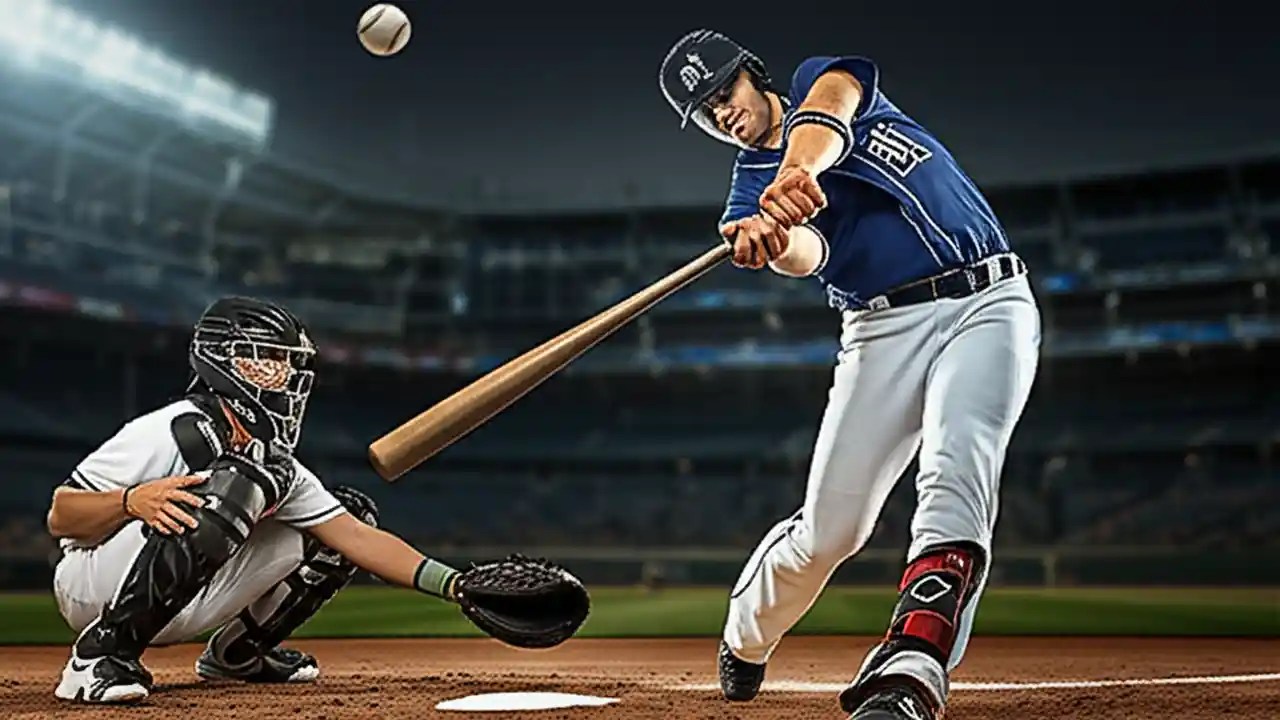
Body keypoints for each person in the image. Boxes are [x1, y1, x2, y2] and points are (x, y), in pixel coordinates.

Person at [659, 30, 1042, 720]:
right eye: (706, 110)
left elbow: (828, 112)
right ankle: (747, 631)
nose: (722, 111)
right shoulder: (746, 196)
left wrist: (798, 172)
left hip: (990, 301)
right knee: (831, 531)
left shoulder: (817, 80)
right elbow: (808, 254)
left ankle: (911, 664)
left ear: (754, 73)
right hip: (881, 328)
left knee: (960, 460)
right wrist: (774, 243)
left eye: (725, 90)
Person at [46, 296, 587, 705]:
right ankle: (99, 660)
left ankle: (237, 656)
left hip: (181, 598)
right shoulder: (172, 428)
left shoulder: (269, 456)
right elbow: (61, 514)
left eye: (285, 364)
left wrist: (454, 583)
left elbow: (356, 537)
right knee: (243, 480)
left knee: (345, 515)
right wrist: (131, 500)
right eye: (265, 361)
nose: (282, 374)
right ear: (223, 361)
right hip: (93, 586)